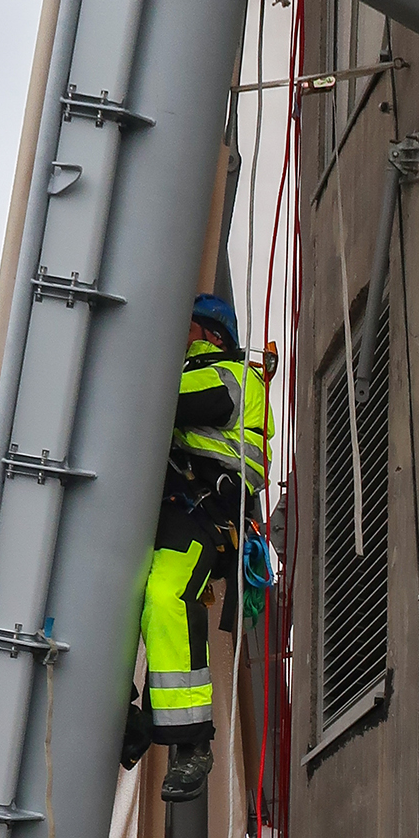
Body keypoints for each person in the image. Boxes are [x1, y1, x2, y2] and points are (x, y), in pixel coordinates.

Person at [128, 280, 274, 803]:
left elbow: (170, 400)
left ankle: (190, 744)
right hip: (160, 513)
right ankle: (127, 715)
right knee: (110, 600)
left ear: (209, 335)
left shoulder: (231, 375)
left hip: (199, 513)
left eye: (183, 327)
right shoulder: (178, 374)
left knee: (167, 597)